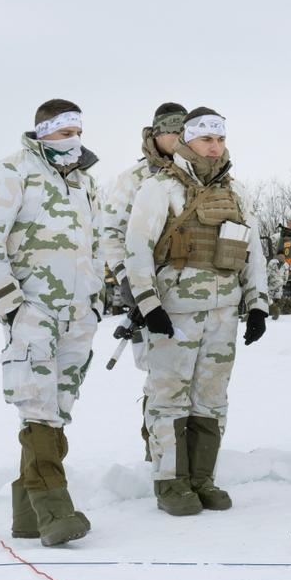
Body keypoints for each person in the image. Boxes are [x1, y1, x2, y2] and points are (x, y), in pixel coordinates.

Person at [0, 99, 103, 545]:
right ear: (43, 131)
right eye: (66, 133)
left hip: (79, 314)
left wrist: (97, 301)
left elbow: (98, 244)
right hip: (33, 310)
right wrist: (13, 307)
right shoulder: (10, 172)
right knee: (37, 406)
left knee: (58, 409)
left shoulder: (85, 181)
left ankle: (26, 517)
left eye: (79, 132)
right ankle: (55, 514)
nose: (75, 140)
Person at [125, 107, 269, 515]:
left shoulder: (236, 193)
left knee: (211, 398)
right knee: (169, 398)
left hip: (223, 312)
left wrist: (257, 304)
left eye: (220, 139)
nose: (215, 146)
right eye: (207, 139)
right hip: (175, 314)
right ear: (188, 141)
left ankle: (202, 478)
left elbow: (253, 251)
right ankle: (171, 482)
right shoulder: (159, 188)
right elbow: (135, 249)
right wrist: (148, 304)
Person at [100, 102, 187, 456]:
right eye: (170, 130)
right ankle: (159, 452)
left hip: (192, 293)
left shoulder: (198, 175)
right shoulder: (133, 179)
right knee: (160, 377)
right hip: (148, 292)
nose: (177, 138)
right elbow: (110, 234)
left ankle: (190, 455)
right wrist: (130, 286)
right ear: (154, 134)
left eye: (184, 131)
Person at [267, 252, 287, 319]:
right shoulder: (285, 264)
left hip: (274, 283)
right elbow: (286, 275)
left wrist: (265, 280)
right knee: (275, 298)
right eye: (281, 256)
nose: (282, 258)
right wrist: (284, 282)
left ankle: (274, 312)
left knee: (269, 297)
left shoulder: (273, 262)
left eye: (283, 256)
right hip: (278, 283)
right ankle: (274, 313)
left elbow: (268, 272)